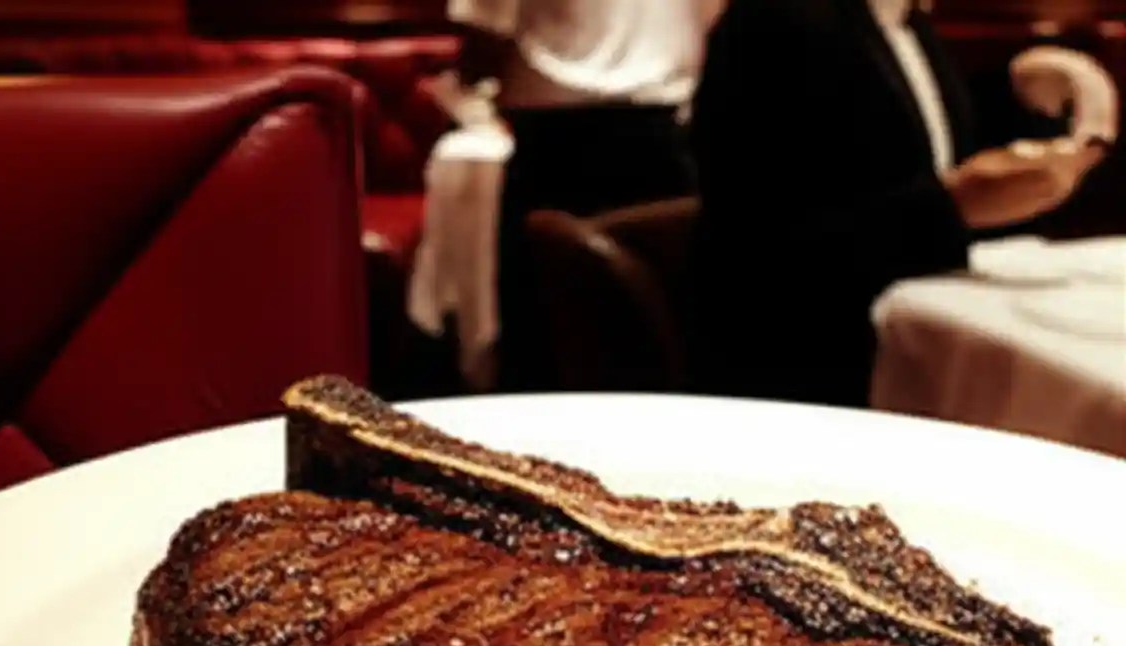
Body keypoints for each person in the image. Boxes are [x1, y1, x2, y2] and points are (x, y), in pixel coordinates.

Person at [687, 0, 1106, 407]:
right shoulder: (779, 20)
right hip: (803, 370)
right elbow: (764, 247)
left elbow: (905, 149)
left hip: (905, 334)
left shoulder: (902, 19)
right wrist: (951, 207)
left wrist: (1019, 96)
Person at [449, 0, 719, 389]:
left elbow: (485, 36)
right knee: (660, 337)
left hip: (558, 145)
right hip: (661, 140)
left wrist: (466, 83)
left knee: (544, 342)